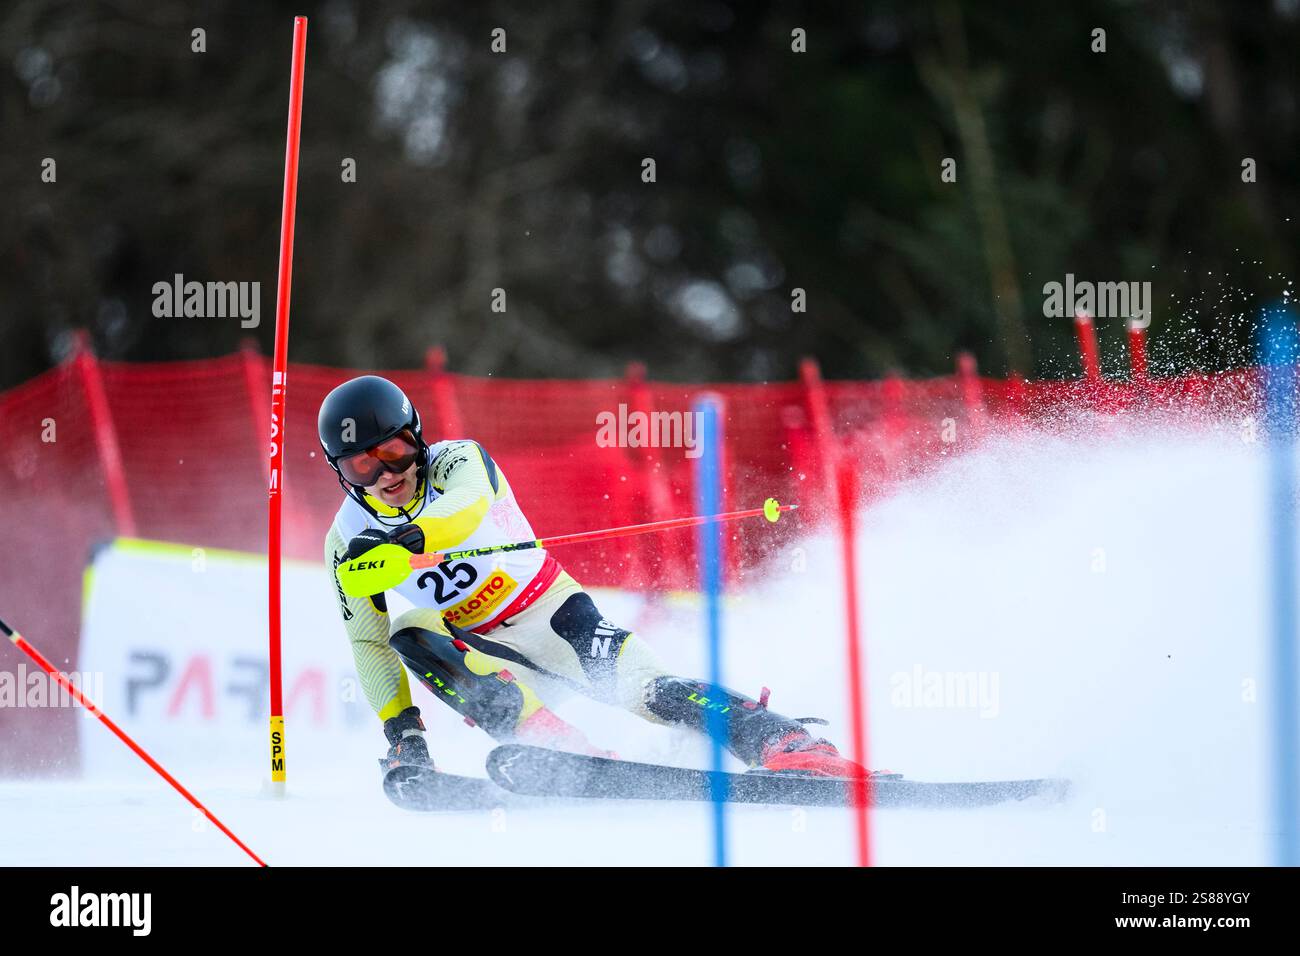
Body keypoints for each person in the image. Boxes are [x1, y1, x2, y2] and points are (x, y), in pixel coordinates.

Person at [318, 375, 866, 779]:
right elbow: (367, 641)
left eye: (394, 451)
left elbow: (465, 508)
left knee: (648, 691)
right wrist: (404, 735)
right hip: (486, 657)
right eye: (362, 465)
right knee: (408, 628)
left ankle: (787, 742)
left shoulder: (458, 460)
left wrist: (404, 541)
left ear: (417, 437)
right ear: (340, 471)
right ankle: (559, 749)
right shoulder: (346, 541)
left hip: (553, 618)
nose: (386, 474)